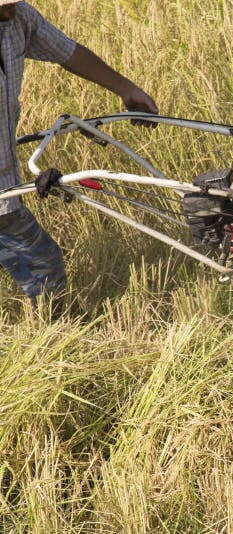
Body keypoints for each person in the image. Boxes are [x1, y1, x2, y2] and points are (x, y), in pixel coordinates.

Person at [0, 1, 157, 308]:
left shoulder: (18, 18)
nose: (11, 8)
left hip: (5, 176)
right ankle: (56, 337)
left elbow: (67, 51)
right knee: (43, 265)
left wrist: (126, 89)